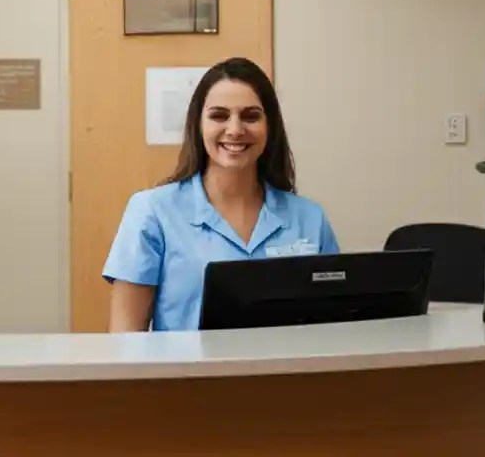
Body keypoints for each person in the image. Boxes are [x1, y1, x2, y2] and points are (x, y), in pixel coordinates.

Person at [103, 57, 339, 332]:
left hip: (285, 375)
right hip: (188, 375)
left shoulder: (310, 218)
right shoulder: (152, 212)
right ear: (198, 125)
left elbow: (331, 331)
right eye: (219, 115)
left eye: (251, 116)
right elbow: (126, 339)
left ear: (270, 127)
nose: (235, 130)